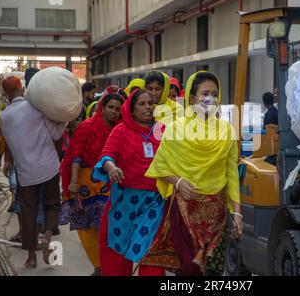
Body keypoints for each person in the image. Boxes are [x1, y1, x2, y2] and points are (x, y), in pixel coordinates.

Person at [144, 71, 242, 275]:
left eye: (215, 94)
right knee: (190, 269)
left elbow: (231, 173)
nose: (211, 98)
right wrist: (178, 182)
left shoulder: (227, 131)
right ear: (191, 98)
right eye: (205, 93)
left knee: (213, 271)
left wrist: (237, 212)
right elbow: (160, 168)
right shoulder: (174, 130)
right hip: (184, 210)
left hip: (217, 215)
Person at [93, 89, 166, 276]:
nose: (148, 107)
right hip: (123, 202)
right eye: (142, 104)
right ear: (131, 110)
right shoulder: (121, 130)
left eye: (150, 103)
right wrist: (111, 168)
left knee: (152, 255)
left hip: (154, 203)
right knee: (116, 252)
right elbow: (107, 155)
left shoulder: (163, 130)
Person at [0, 76, 65, 269]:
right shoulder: (36, 109)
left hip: (26, 173)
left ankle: (31, 257)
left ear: (4, 93)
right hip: (49, 167)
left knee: (28, 211)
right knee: (52, 204)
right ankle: (48, 235)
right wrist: (63, 121)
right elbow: (56, 134)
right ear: (22, 88)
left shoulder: (3, 117)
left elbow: (11, 144)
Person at [59, 92, 124, 276]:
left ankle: (106, 266)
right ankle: (98, 266)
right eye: (110, 107)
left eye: (118, 109)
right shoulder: (87, 127)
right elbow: (76, 155)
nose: (113, 112)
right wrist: (73, 182)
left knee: (107, 225)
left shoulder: (120, 129)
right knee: (86, 227)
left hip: (108, 184)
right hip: (84, 182)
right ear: (102, 107)